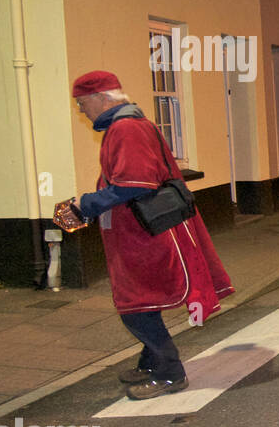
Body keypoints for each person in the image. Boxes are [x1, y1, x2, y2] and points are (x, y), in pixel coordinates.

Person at [64, 70, 233, 400]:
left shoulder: (125, 128)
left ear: (101, 98)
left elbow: (134, 183)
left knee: (135, 307)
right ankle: (152, 363)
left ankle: (170, 373)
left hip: (144, 235)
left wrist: (85, 204)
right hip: (143, 230)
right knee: (142, 303)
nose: (82, 110)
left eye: (83, 103)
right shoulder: (129, 125)